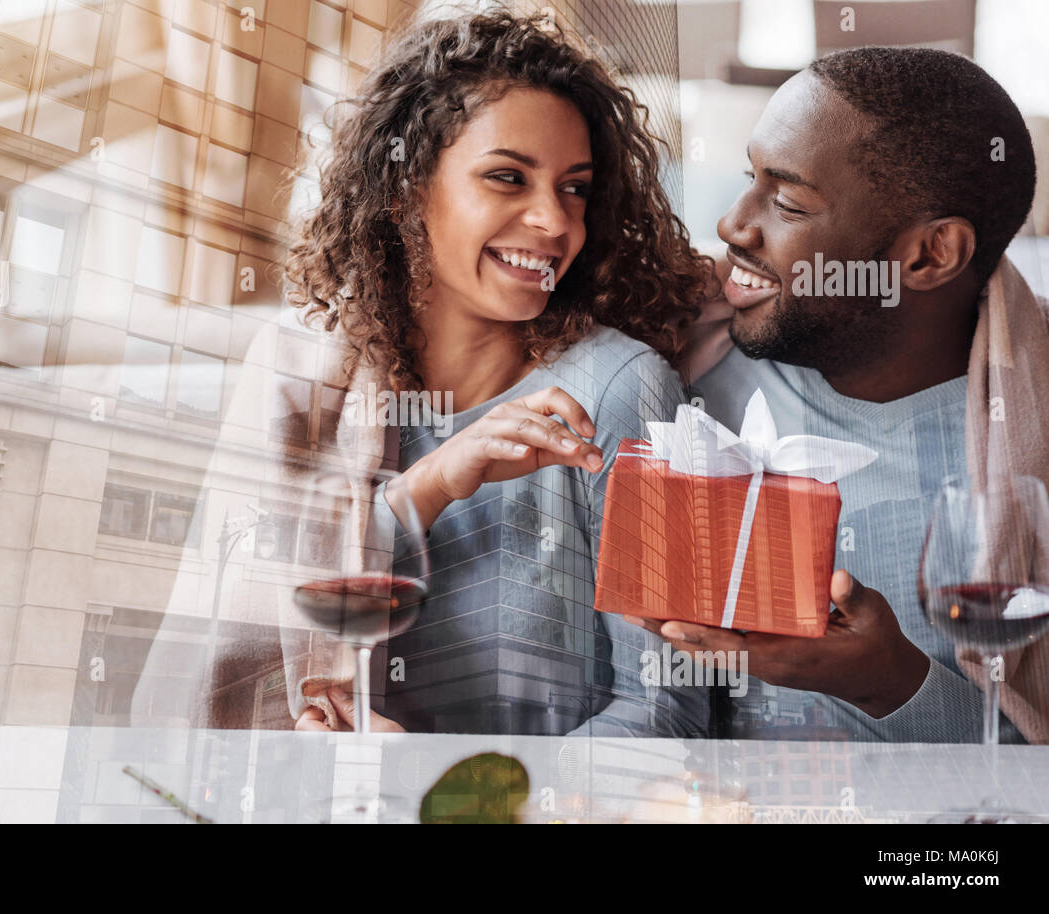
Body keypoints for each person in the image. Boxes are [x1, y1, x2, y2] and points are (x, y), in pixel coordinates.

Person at [130, 11, 717, 736]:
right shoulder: (299, 377)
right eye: (508, 178)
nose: (555, 222)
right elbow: (236, 633)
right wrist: (426, 490)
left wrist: (443, 794)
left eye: (574, 189)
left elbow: (667, 711)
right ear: (407, 186)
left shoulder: (619, 388)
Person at [629, 46, 1048, 742]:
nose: (733, 225)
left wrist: (892, 684)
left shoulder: (1022, 442)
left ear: (928, 255)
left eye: (787, 200)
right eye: (749, 178)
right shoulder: (676, 362)